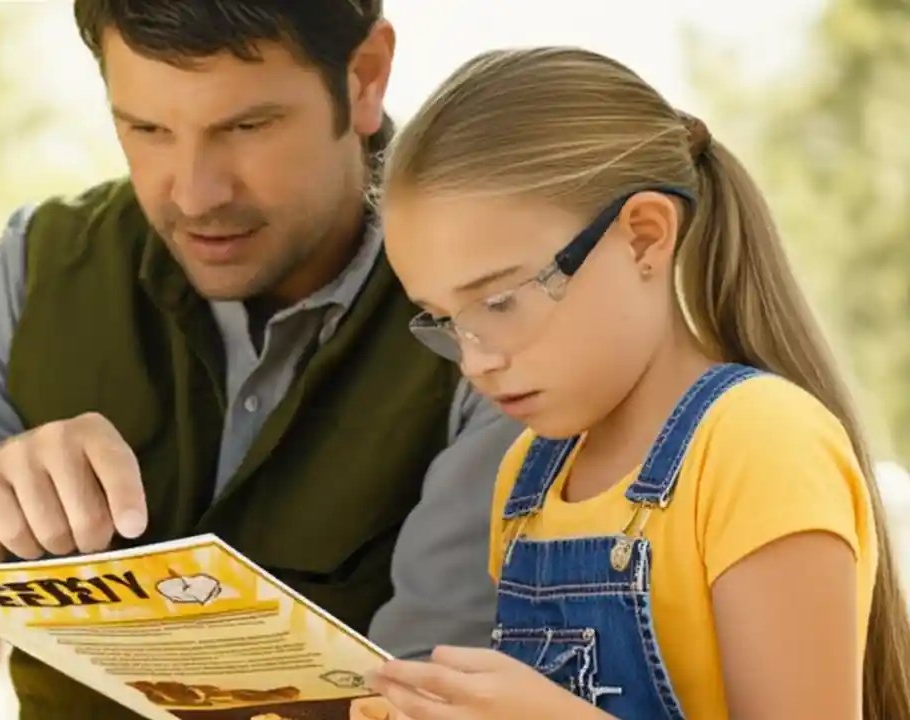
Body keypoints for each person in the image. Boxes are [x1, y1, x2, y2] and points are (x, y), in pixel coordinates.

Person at [0, 2, 524, 717]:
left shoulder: (495, 302)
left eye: (246, 127)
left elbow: (441, 691)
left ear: (364, 76)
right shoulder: (30, 272)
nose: (196, 195)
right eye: (146, 129)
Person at [352, 47, 910, 720]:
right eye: (445, 321)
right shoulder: (527, 478)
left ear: (644, 237)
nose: (474, 363)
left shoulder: (759, 443)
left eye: (497, 303)